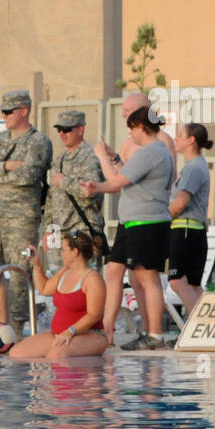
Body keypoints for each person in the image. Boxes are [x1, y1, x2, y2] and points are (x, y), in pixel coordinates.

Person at [82, 95, 175, 350]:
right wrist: (108, 166)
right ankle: (141, 332)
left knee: (147, 277)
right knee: (132, 274)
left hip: (147, 222)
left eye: (131, 129)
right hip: (135, 221)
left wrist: (101, 158)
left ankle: (155, 335)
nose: (130, 135)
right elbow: (126, 176)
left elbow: (116, 181)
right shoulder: (151, 152)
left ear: (141, 127)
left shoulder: (153, 151)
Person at [0, 90, 52, 347]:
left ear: (24, 111)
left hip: (22, 216)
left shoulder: (38, 141)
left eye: (8, 112)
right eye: (2, 111)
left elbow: (28, 175)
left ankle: (16, 327)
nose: (3, 116)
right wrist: (7, 166)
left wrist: (7, 172)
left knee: (19, 271)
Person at [10, 232, 108, 360]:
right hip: (60, 334)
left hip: (91, 335)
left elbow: (94, 315)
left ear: (75, 252)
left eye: (63, 249)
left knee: (56, 355)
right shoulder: (64, 272)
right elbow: (44, 289)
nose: (61, 253)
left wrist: (70, 331)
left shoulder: (92, 278)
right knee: (17, 352)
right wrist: (36, 264)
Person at [42, 110, 104, 271]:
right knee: (58, 281)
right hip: (59, 232)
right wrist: (49, 229)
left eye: (67, 129)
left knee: (86, 281)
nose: (62, 133)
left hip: (82, 229)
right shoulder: (59, 159)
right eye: (59, 130)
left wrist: (64, 181)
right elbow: (51, 198)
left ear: (81, 129)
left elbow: (91, 192)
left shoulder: (90, 157)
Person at [167, 122, 213, 315]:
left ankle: (197, 323)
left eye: (179, 135)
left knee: (177, 280)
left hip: (185, 228)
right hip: (194, 230)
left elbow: (179, 204)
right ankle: (207, 325)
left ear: (191, 140)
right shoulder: (197, 165)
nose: (175, 139)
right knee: (193, 285)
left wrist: (162, 215)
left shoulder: (193, 167)